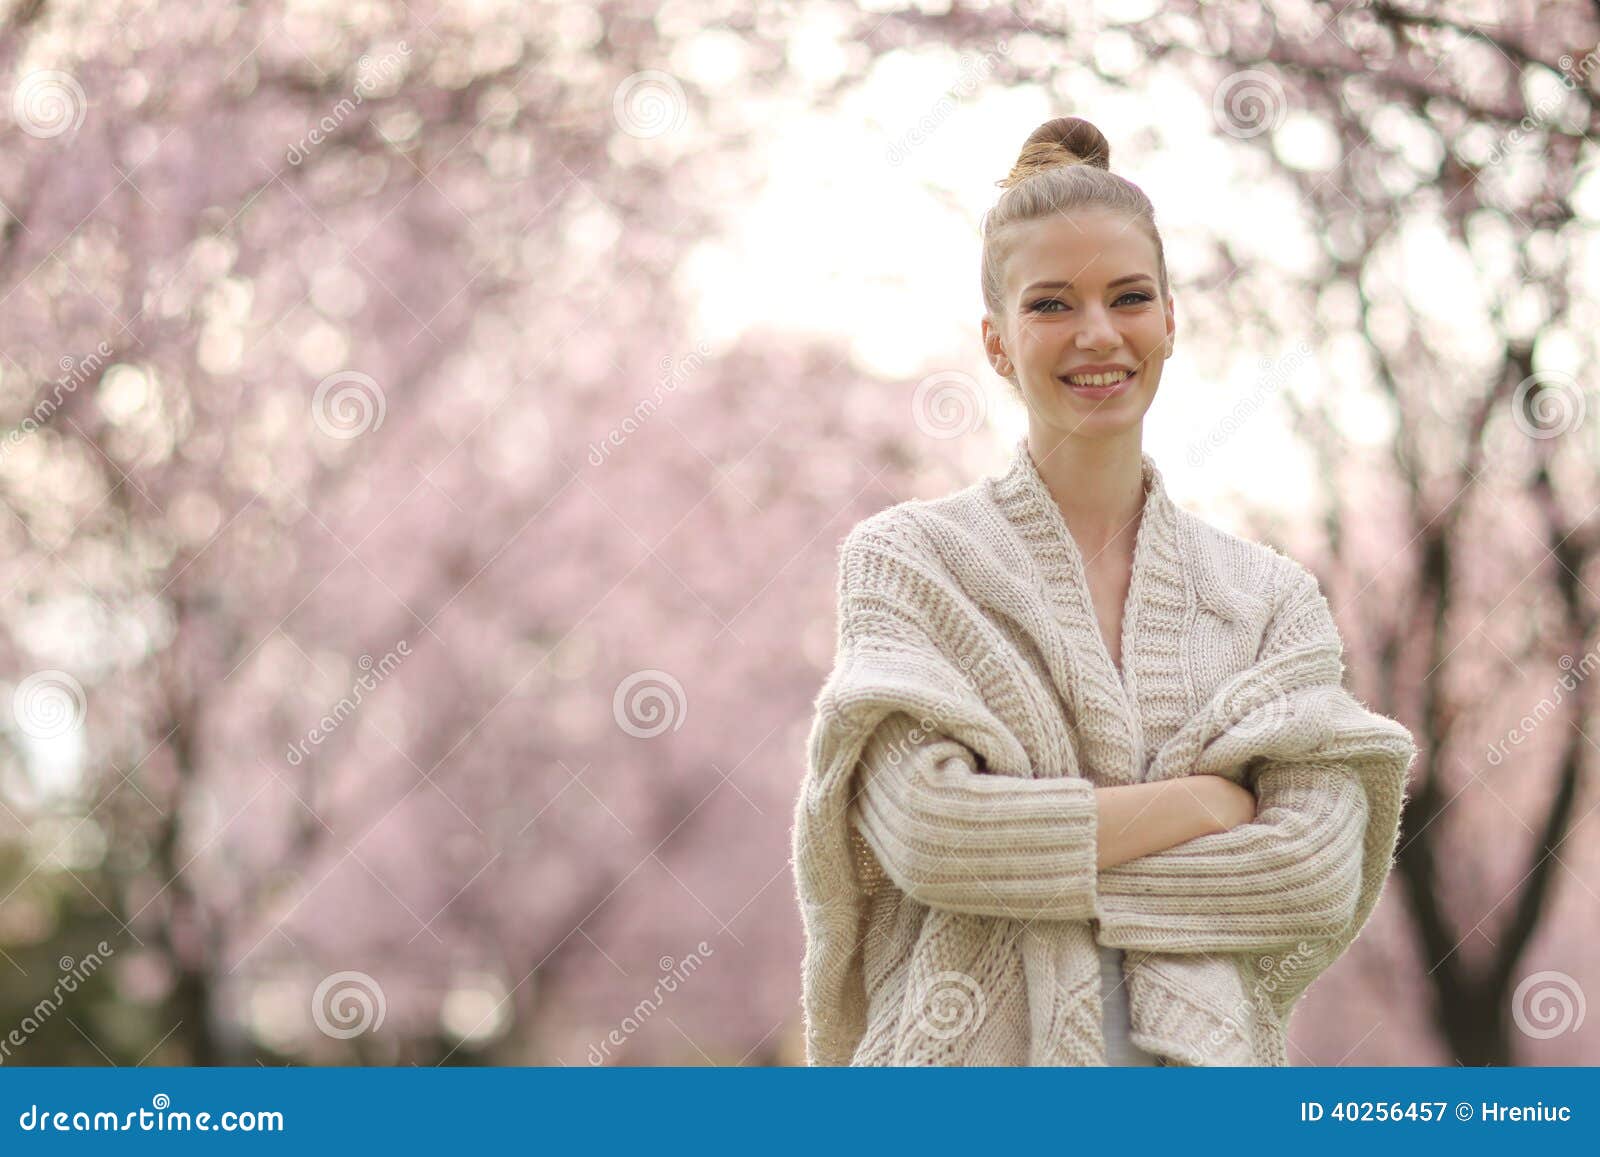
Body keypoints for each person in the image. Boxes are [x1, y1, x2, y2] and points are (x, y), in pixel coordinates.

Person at [790, 116, 1417, 1066]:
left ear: (1170, 321)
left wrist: (1027, 858)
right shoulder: (911, 561)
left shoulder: (1269, 599)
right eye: (1051, 304)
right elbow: (931, 836)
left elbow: (1312, 869)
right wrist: (1208, 805)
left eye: (1129, 297)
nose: (1097, 333)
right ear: (997, 343)